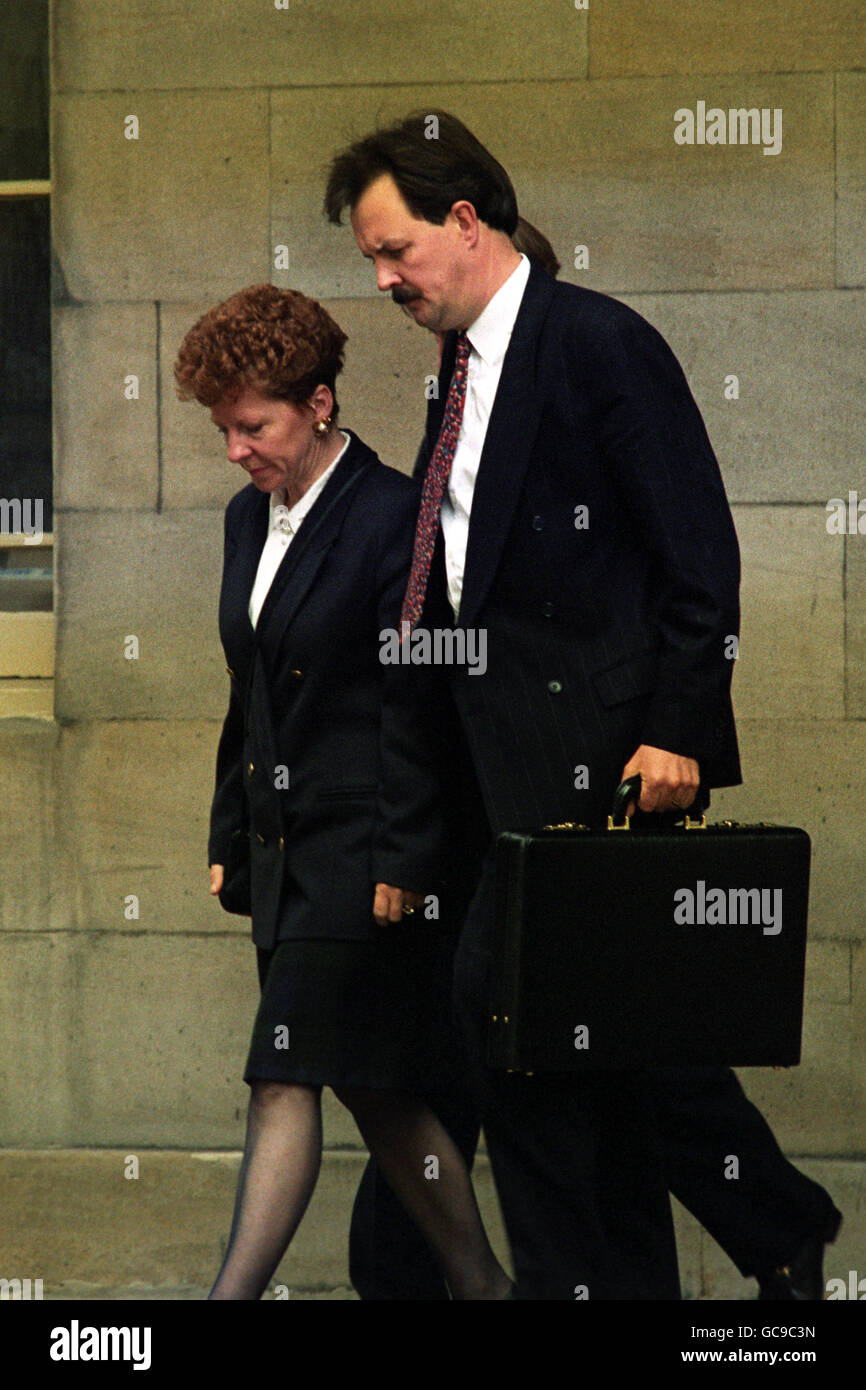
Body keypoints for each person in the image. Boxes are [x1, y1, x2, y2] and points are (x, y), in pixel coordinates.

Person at [324, 108, 801, 1300]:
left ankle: (759, 1235)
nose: (382, 279)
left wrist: (679, 727)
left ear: (466, 219)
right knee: (594, 1059)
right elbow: (460, 583)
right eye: (370, 259)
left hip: (602, 765)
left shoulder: (597, 344)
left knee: (541, 1041)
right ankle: (729, 1253)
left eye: (395, 251)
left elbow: (696, 553)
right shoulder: (457, 377)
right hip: (495, 769)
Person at [174, 283, 512, 1300]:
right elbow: (252, 692)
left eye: (253, 426)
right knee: (375, 1086)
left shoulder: (393, 518)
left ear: (318, 403)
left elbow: (416, 704)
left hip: (363, 857)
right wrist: (230, 829)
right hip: (284, 851)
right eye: (224, 429)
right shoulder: (248, 520)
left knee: (281, 1073)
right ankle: (484, 1286)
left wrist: (404, 860)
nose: (236, 450)